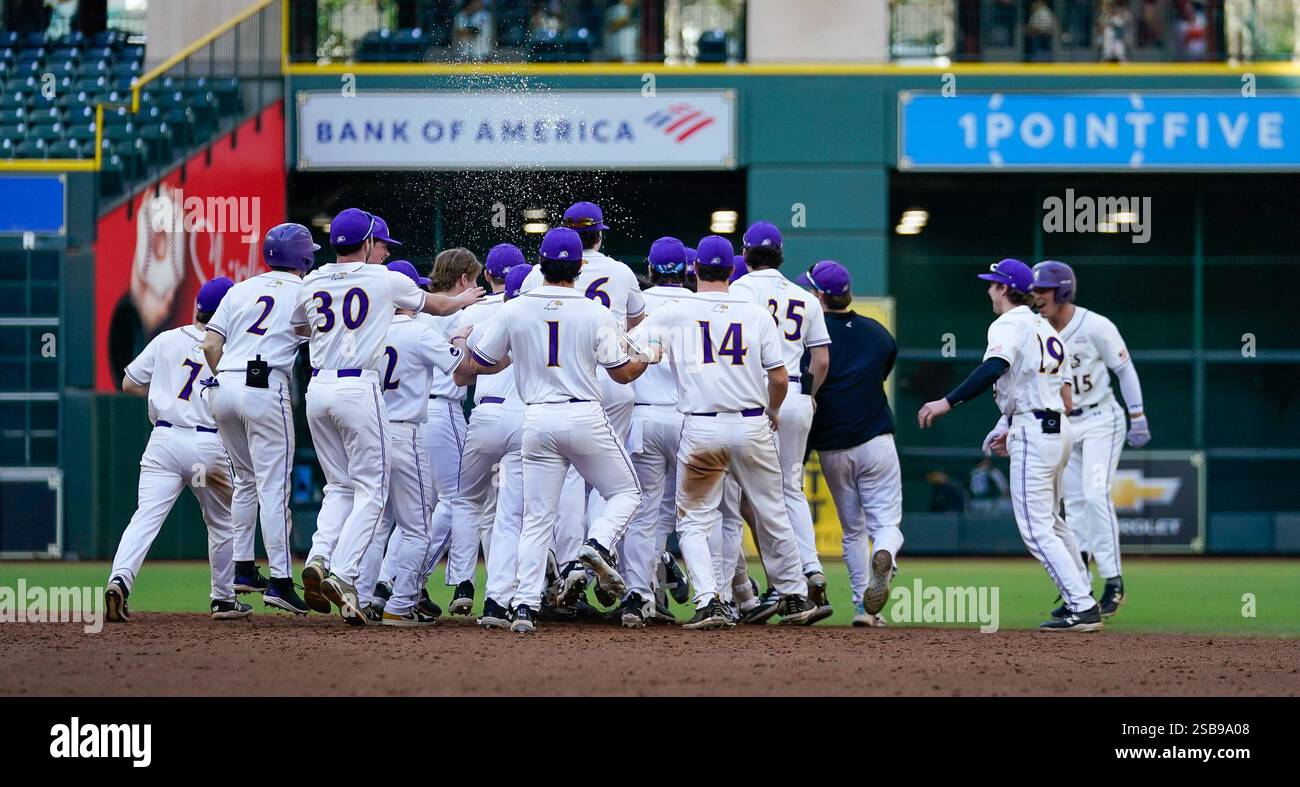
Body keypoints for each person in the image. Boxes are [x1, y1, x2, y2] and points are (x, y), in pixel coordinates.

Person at [456, 227, 649, 633]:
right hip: (584, 415)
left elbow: (479, 362)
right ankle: (596, 544)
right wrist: (650, 354)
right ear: (579, 267)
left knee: (536, 517)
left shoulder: (514, 308)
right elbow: (624, 373)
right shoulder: (596, 310)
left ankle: (523, 606)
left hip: (537, 417)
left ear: (540, 263)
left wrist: (511, 358)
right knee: (627, 492)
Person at [298, 208, 482, 626]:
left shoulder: (313, 280)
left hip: (318, 388)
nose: (380, 251)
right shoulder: (385, 282)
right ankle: (352, 580)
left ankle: (322, 557)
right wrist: (462, 304)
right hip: (365, 397)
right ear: (365, 243)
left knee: (342, 490)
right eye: (377, 244)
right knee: (376, 495)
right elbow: (435, 305)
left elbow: (299, 328)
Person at [629, 235, 818, 629]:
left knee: (695, 521)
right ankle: (795, 594)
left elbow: (633, 351)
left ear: (695, 269)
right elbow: (780, 379)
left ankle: (710, 600)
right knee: (772, 513)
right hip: (752, 423)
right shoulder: (755, 313)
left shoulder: (677, 311)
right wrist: (773, 410)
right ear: (732, 270)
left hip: (702, 427)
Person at [917, 258, 1102, 632]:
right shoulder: (1048, 330)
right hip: (1058, 429)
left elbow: (994, 367)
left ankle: (1081, 606)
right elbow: (1062, 398)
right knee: (1053, 522)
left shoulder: (1008, 323)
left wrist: (946, 402)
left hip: (1036, 432)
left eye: (992, 283)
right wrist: (1008, 422)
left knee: (1036, 529)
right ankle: (1081, 597)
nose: (988, 289)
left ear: (1004, 288)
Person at [521, 201, 646, 610]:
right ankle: (597, 547)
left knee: (569, 482)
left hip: (555, 384)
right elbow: (631, 326)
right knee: (610, 480)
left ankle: (573, 562)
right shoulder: (622, 271)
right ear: (600, 233)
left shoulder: (537, 275)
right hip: (607, 378)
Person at [105, 278, 249, 622]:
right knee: (222, 524)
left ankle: (119, 579)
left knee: (144, 518)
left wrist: (161, 397)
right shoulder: (231, 351)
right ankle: (224, 600)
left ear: (197, 306)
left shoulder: (167, 339)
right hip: (207, 443)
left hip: (164, 442)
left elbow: (128, 383)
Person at [203, 224, 317, 616]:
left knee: (246, 482)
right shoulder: (304, 290)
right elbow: (312, 333)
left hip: (224, 386)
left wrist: (227, 378)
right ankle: (282, 581)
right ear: (304, 257)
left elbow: (210, 342)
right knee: (273, 487)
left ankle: (243, 568)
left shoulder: (240, 288)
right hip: (265, 385)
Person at [1032, 260, 1150, 618]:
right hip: (1066, 424)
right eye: (1035, 290)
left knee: (1096, 494)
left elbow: (1123, 369)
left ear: (1063, 290)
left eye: (1044, 289)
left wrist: (1137, 414)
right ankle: (1080, 593)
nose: (1037, 296)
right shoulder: (1035, 329)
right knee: (1074, 505)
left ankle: (1114, 582)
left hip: (1101, 418)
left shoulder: (1095, 325)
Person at [729, 220, 833, 622]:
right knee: (790, 488)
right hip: (796, 394)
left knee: (752, 496)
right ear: (781, 254)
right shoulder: (804, 296)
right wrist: (812, 395)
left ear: (746, 252)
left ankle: (781, 587)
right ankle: (812, 571)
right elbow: (821, 359)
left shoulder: (740, 289)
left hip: (759, 396)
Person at [799, 260, 903, 627]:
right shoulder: (877, 333)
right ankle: (886, 555)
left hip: (834, 446)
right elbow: (886, 367)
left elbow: (807, 387)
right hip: (877, 439)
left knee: (853, 531)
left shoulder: (809, 336)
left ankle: (862, 608)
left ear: (818, 296)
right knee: (886, 524)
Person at [368, 260, 468, 626]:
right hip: (408, 429)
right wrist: (459, 338)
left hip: (371, 428)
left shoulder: (369, 331)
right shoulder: (419, 330)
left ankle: (368, 596)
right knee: (419, 526)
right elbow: (459, 368)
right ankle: (400, 602)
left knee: (378, 522)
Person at [617, 236, 691, 627]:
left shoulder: (638, 311)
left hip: (643, 418)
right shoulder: (696, 307)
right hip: (687, 419)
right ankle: (719, 596)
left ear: (649, 268)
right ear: (686, 270)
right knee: (695, 516)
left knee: (643, 514)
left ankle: (639, 595)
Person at [472, 260, 533, 630]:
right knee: (527, 516)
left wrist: (462, 340)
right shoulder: (535, 317)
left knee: (485, 512)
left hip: (484, 421)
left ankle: (491, 597)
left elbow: (474, 362)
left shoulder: (489, 315)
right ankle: (524, 598)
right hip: (525, 423)